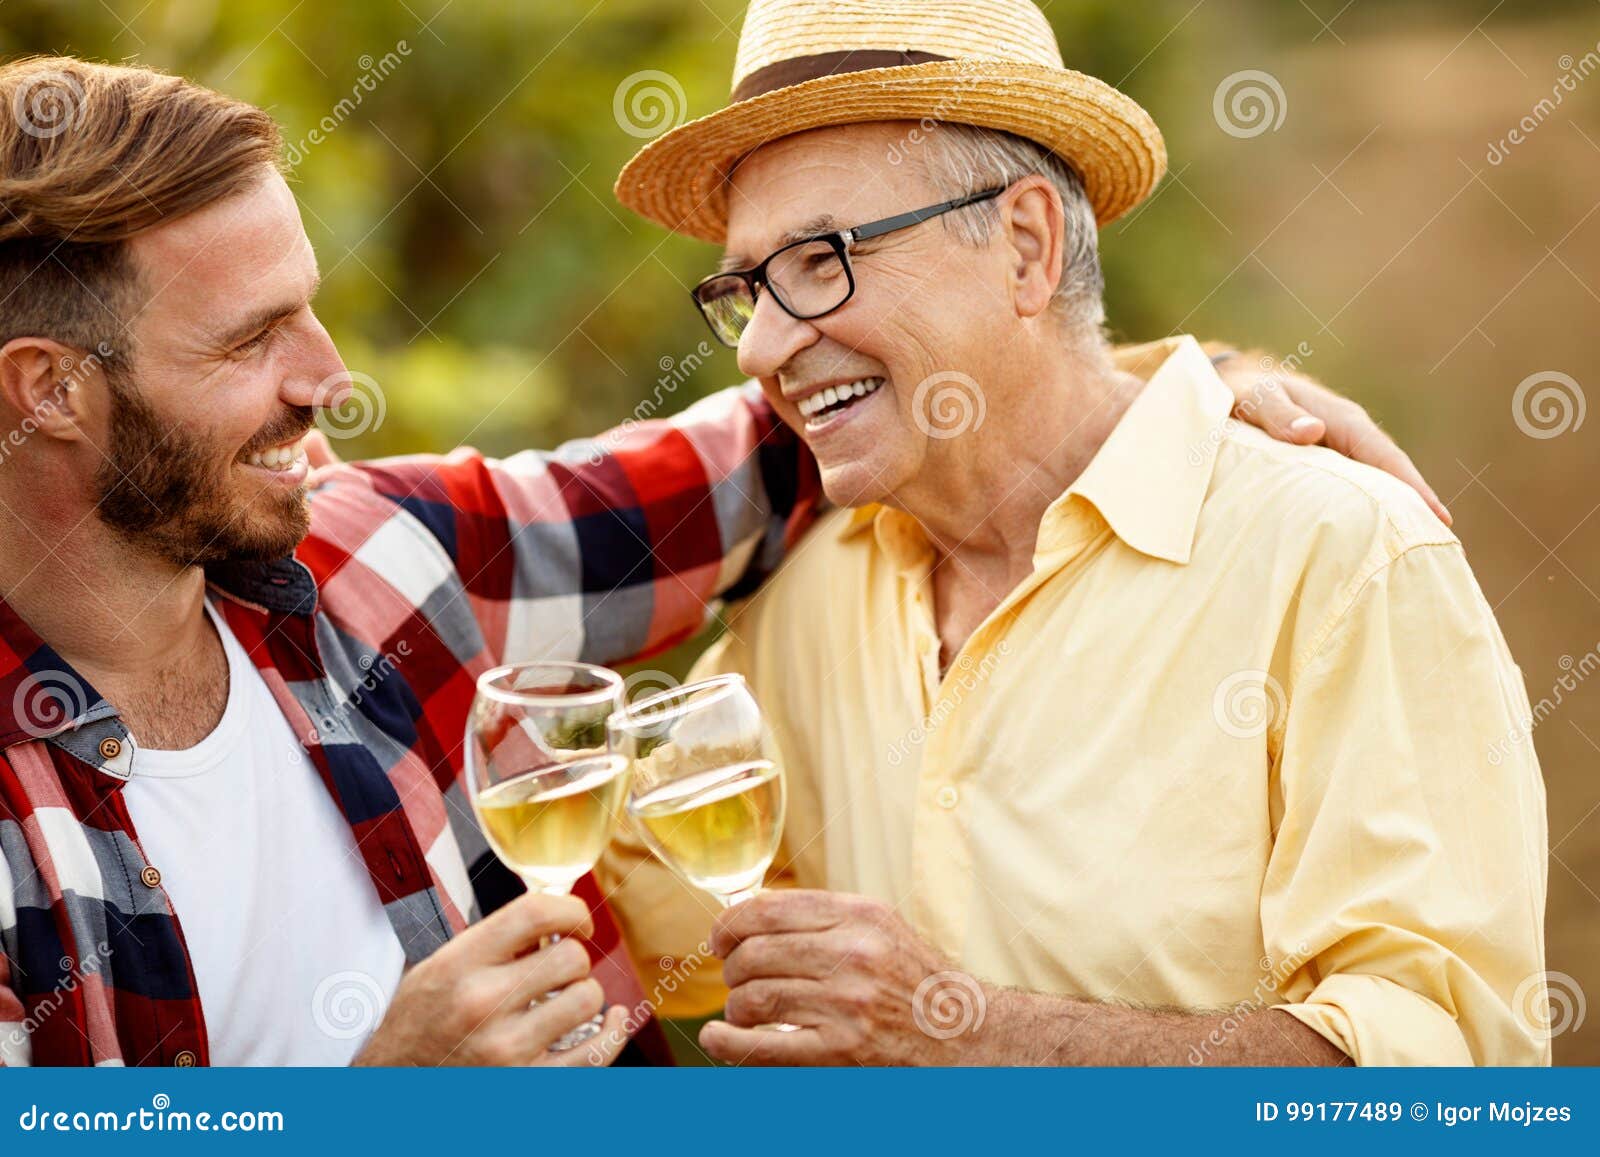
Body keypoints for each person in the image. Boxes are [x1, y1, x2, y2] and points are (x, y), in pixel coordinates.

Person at [0, 53, 1428, 1068]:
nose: (328, 376)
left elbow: (791, 436)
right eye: (252, 340)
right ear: (49, 388)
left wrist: (1165, 392)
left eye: (306, 312)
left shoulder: (378, 555)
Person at [600, 0, 1549, 1066]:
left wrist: (965, 1034)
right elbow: (627, 913)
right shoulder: (805, 607)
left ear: (1024, 245)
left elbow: (1442, 1086)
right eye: (744, 288)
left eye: (820, 260)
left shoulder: (1338, 556)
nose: (759, 346)